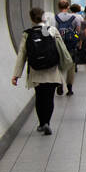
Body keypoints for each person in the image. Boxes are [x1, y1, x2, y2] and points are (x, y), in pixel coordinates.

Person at [11, 7, 73, 135]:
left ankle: (41, 123)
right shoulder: (51, 30)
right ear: (44, 17)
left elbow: (22, 55)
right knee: (49, 98)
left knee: (39, 97)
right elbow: (61, 49)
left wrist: (16, 75)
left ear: (32, 18)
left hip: (36, 71)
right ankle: (47, 123)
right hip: (52, 70)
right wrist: (66, 65)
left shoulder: (27, 34)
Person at [53, 0, 82, 97]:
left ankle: (60, 83)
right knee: (71, 66)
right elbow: (78, 32)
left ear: (58, 7)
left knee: (59, 66)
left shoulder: (54, 18)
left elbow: (50, 33)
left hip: (59, 46)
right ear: (68, 7)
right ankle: (69, 88)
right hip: (71, 46)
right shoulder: (75, 18)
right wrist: (77, 40)